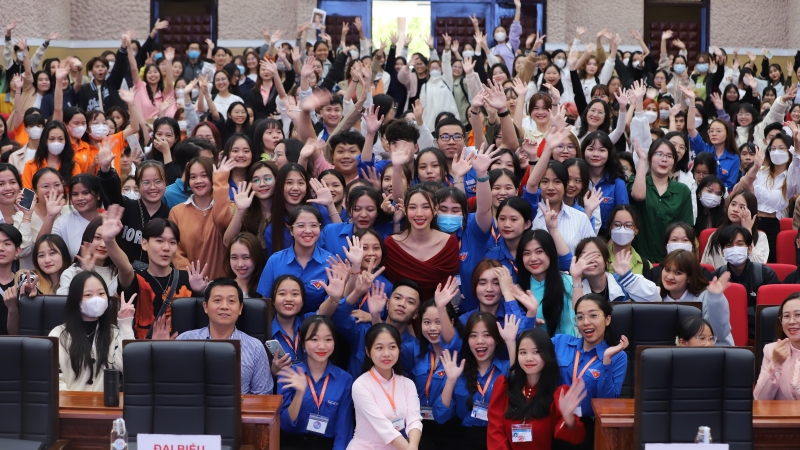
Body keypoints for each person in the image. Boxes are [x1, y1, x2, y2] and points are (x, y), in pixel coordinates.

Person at [151, 278, 274, 395]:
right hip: (192, 413)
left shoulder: (255, 348)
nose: (224, 306)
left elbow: (263, 397)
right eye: (217, 300)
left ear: (240, 308)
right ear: (205, 307)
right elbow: (168, 385)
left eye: (231, 301)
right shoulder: (184, 341)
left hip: (238, 415)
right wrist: (160, 354)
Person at [105, 213, 208, 340]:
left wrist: (202, 291)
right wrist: (109, 241)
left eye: (172, 242)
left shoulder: (189, 279)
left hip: (183, 352)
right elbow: (125, 268)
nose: (166, 248)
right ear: (144, 243)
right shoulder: (137, 280)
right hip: (144, 353)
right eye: (159, 241)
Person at [486, 328, 587, 450]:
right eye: (523, 352)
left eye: (536, 352)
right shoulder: (504, 387)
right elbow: (495, 431)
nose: (529, 358)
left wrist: (568, 418)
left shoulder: (558, 394)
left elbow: (577, 438)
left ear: (547, 355)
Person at [552, 294, 628, 450]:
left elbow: (608, 403)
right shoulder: (560, 342)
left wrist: (606, 360)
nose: (585, 322)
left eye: (593, 315)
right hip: (553, 422)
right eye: (580, 317)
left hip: (587, 426)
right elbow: (528, 353)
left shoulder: (617, 355)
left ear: (607, 319)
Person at [433, 313, 519, 450]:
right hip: (466, 440)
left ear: (497, 340)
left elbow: (518, 382)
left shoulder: (506, 368)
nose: (480, 341)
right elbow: (440, 416)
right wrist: (450, 381)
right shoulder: (458, 372)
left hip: (501, 439)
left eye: (486, 335)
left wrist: (510, 341)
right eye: (473, 335)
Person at [48, 271, 135, 391]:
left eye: (101, 293)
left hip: (106, 406)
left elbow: (128, 367)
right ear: (75, 300)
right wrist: (70, 402)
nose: (97, 299)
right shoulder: (58, 334)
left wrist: (125, 325)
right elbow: (53, 377)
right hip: (68, 405)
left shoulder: (113, 333)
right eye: (88, 295)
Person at [277, 315, 354, 449]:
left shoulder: (345, 379)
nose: (322, 346)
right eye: (314, 339)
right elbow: (285, 425)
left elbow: (343, 430)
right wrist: (299, 394)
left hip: (327, 445)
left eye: (328, 339)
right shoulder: (288, 374)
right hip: (293, 443)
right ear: (303, 344)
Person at [348, 323, 423, 450]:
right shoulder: (360, 385)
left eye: (392, 347)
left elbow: (414, 420)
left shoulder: (407, 384)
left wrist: (413, 446)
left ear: (399, 349)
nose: (386, 353)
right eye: (379, 348)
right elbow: (384, 428)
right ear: (368, 351)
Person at [257, 206, 342, 313]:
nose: (308, 231)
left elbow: (334, 304)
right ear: (291, 230)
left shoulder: (330, 262)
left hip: (319, 323)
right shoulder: (275, 261)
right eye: (301, 225)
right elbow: (266, 302)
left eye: (313, 225)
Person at [383, 187, 459, 301]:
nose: (419, 213)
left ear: (435, 210)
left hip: (438, 313)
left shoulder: (449, 243)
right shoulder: (391, 245)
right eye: (413, 207)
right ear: (406, 210)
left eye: (426, 207)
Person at [628, 139, 693, 263]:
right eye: (659, 154)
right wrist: (642, 160)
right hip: (637, 259)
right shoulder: (637, 181)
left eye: (669, 156)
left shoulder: (682, 191)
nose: (664, 159)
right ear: (650, 157)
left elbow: (686, 228)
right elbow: (638, 196)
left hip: (668, 261)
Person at [709, 226, 780, 339]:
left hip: (760, 335)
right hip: (726, 335)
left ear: (750, 248)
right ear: (723, 252)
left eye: (740, 244)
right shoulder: (716, 277)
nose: (735, 249)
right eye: (729, 245)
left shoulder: (766, 274)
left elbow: (774, 313)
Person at [658, 250, 734, 346]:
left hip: (711, 354)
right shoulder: (656, 296)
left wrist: (715, 299)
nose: (669, 277)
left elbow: (720, 334)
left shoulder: (708, 296)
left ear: (689, 278)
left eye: (677, 273)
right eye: (667, 270)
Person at [517, 229, 576, 336]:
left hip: (566, 348)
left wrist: (577, 279)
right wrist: (529, 322)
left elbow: (579, 317)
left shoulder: (568, 282)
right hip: (534, 349)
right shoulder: (518, 289)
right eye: (527, 253)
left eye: (539, 251)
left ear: (551, 253)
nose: (533, 258)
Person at [702, 191, 768, 267]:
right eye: (733, 204)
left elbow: (758, 265)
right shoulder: (716, 235)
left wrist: (747, 230)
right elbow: (706, 266)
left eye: (742, 207)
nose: (735, 209)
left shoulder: (761, 237)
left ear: (751, 212)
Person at [754, 293, 800, 400]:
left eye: (798, 315)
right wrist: (775, 364)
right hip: (784, 416)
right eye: (786, 316)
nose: (791, 321)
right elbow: (760, 400)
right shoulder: (771, 351)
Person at [225, 232, 265, 298]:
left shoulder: (267, 290)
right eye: (234, 257)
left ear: (257, 257)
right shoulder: (218, 288)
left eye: (246, 257)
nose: (240, 264)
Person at [0, 224, 23, 335]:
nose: (1, 248)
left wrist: (12, 308)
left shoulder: (23, 285)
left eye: (7, 244)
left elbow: (16, 336)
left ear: (17, 252)